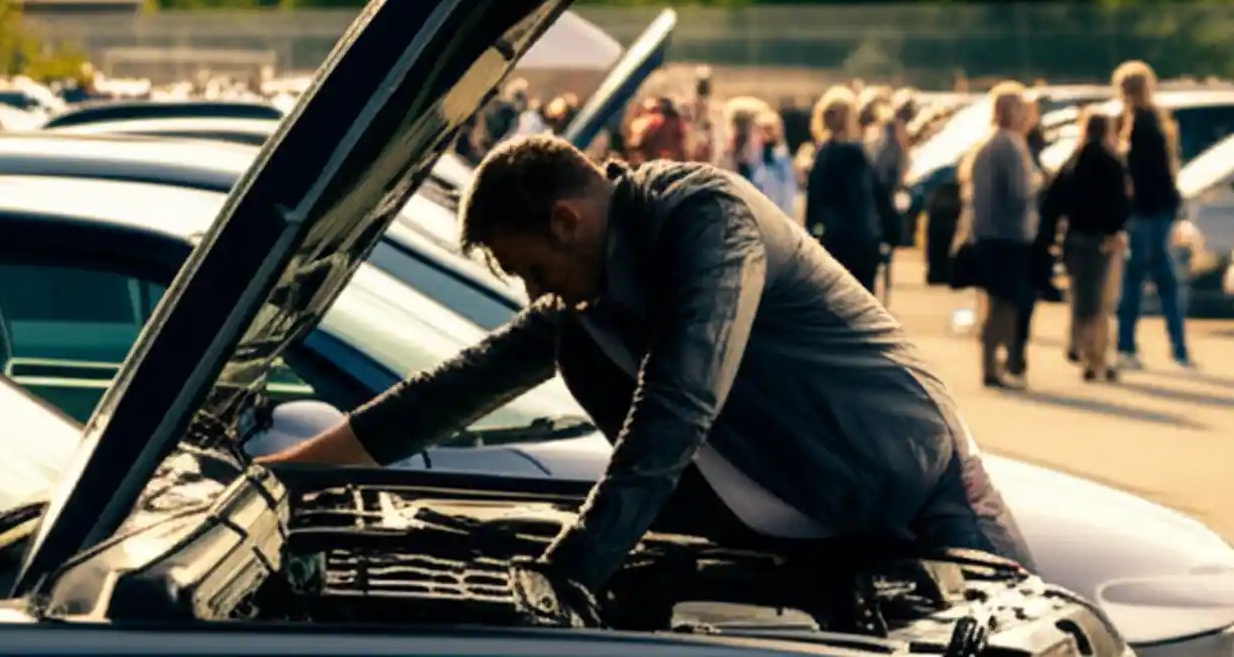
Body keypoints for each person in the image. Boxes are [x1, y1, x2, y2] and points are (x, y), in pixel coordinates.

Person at [259, 134, 1034, 609]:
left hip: (923, 497)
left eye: (531, 268)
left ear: (566, 221)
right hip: (827, 536)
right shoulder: (590, 296)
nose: (535, 294)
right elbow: (448, 393)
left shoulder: (707, 219)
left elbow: (679, 399)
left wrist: (572, 571)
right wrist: (280, 478)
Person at [1112, 60, 1193, 370]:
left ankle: (1128, 345)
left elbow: (1138, 176)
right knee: (1165, 282)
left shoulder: (1137, 127)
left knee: (1135, 281)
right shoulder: (1157, 124)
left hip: (1143, 213)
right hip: (1157, 212)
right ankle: (1178, 348)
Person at [960, 82, 1041, 389]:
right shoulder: (1010, 146)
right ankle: (994, 366)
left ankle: (990, 363)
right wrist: (1037, 184)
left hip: (986, 234)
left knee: (991, 302)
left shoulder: (985, 145)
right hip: (1010, 236)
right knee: (1006, 304)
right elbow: (1020, 193)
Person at [1047, 111, 1131, 381]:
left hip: (1074, 236)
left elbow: (1054, 200)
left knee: (1080, 296)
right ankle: (1097, 359)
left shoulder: (1073, 161)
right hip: (1101, 239)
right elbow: (1120, 203)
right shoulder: (1111, 162)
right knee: (1100, 302)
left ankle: (1080, 347)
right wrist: (1116, 230)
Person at [806, 85, 900, 293]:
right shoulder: (858, 156)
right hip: (863, 241)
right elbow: (875, 198)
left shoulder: (822, 157)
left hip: (834, 241)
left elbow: (814, 204)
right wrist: (891, 233)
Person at [750, 111, 798, 216]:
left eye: (769, 129)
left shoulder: (783, 160)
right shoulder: (752, 159)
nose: (766, 134)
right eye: (762, 130)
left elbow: (789, 192)